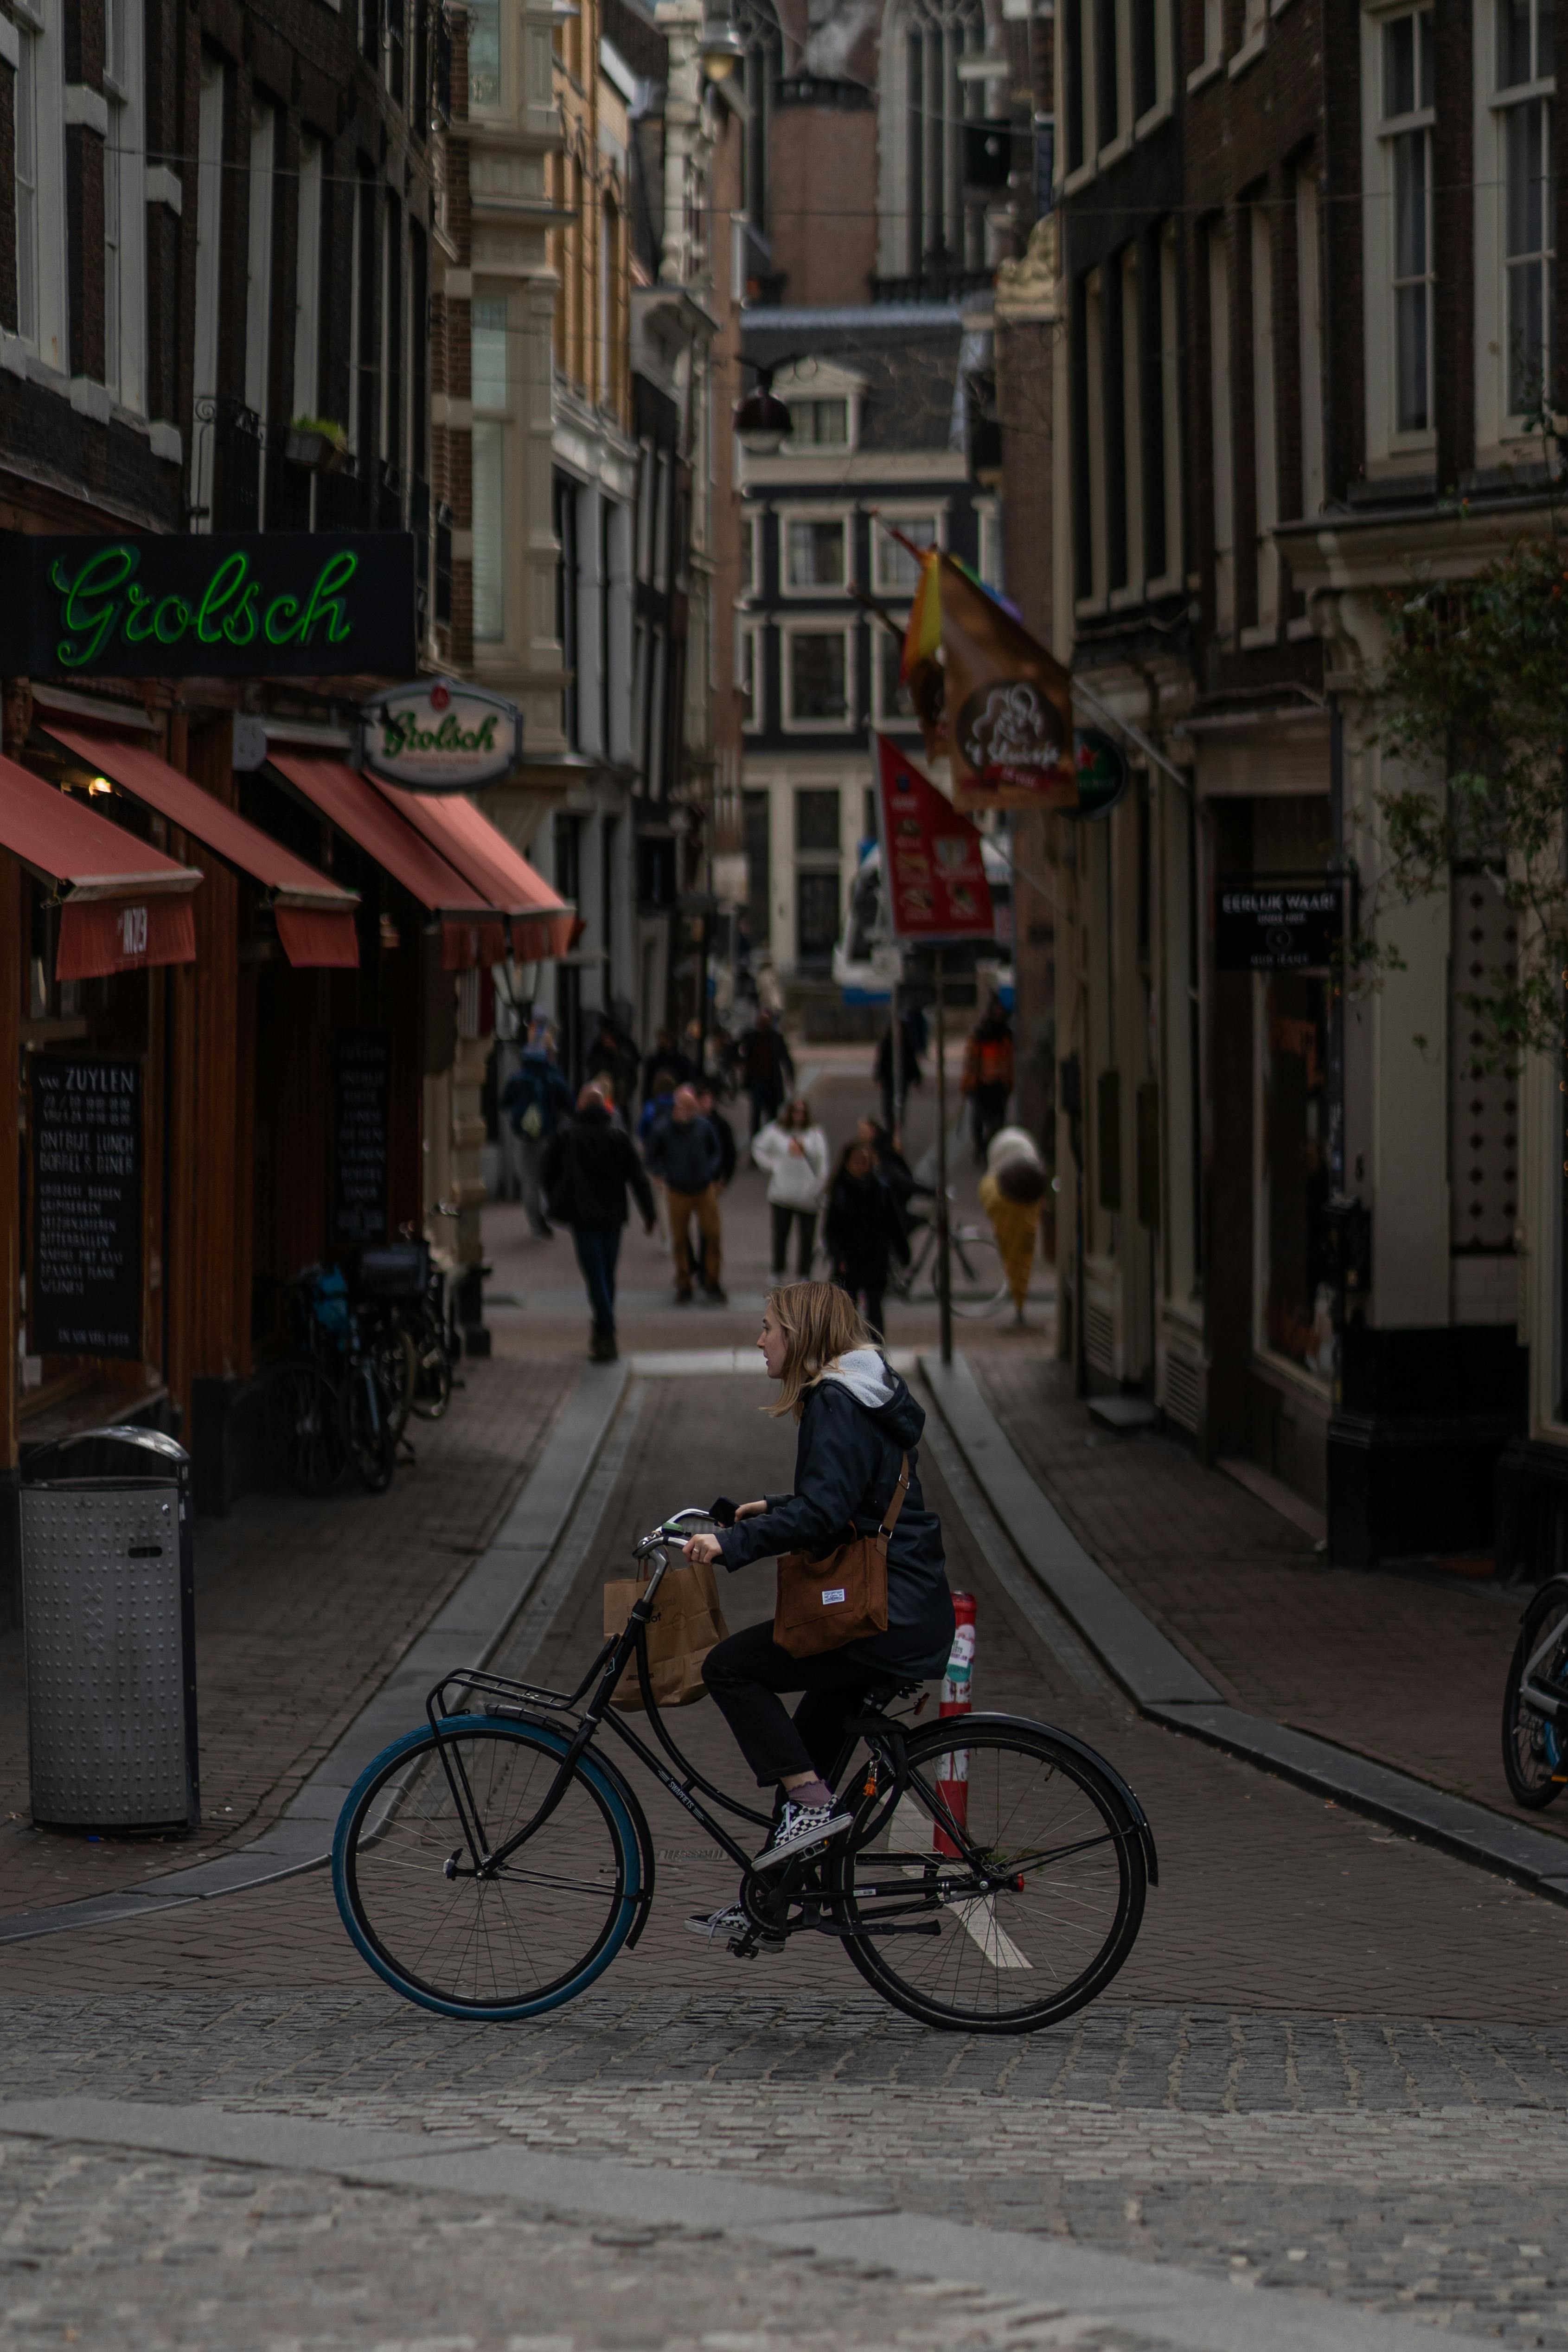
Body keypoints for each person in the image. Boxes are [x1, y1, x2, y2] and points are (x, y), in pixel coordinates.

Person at [680, 1282, 955, 1936]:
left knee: (730, 1668)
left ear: (800, 1334)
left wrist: (732, 1542)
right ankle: (770, 1902)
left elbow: (828, 1511)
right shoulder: (863, 1392)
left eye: (769, 1326)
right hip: (904, 1606)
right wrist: (776, 1505)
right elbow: (855, 1492)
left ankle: (805, 1819)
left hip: (879, 1616)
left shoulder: (834, 1397)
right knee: (802, 1754)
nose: (760, 1339)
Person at [541, 1084, 657, 1361]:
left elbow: (547, 1170)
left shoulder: (568, 1136)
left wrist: (556, 1198)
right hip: (612, 1217)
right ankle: (603, 1332)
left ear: (581, 1106)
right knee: (606, 1274)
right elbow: (638, 1177)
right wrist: (649, 1213)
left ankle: (606, 1332)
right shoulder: (617, 1137)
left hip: (583, 1218)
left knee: (595, 1276)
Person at [645, 1082, 726, 1303]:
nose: (687, 1111)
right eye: (684, 1106)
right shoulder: (664, 1129)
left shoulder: (704, 1126)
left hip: (703, 1186)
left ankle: (712, 1279)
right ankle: (684, 1282)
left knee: (713, 1234)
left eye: (691, 1106)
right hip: (678, 1189)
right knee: (679, 1238)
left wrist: (712, 1171)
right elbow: (652, 1155)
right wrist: (661, 1173)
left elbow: (716, 1150)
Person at [823, 1137, 906, 1335]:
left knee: (875, 1306)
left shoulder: (881, 1190)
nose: (862, 1167)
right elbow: (831, 1229)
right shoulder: (840, 1191)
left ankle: (876, 1348)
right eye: (857, 1162)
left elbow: (893, 1223)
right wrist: (839, 1256)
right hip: (849, 1259)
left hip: (875, 1257)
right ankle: (847, 1345)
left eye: (865, 1162)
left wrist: (902, 1250)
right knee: (848, 1307)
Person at [499, 1022, 575, 1238]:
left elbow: (505, 1102)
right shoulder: (553, 1076)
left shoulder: (519, 1077)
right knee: (550, 1175)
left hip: (524, 1135)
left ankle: (535, 1223)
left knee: (530, 1178)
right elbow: (569, 1104)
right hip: (550, 1134)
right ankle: (548, 1214)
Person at [752, 1096, 829, 1279]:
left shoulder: (815, 1134)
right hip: (783, 1193)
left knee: (807, 1237)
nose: (799, 1115)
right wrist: (771, 1166)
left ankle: (804, 1272)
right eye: (796, 1111)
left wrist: (821, 1184)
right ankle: (778, 1269)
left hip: (807, 1194)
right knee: (780, 1235)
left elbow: (822, 1161)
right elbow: (758, 1146)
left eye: (803, 1112)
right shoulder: (777, 1131)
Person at [978, 1126, 1047, 1325]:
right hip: (1023, 1187)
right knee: (1021, 1256)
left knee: (1015, 1254)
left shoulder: (993, 1185)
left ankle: (1019, 1304)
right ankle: (1019, 1304)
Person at [961, 993, 1015, 1165]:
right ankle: (982, 1149)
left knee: (996, 1122)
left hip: (998, 1085)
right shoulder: (980, 1034)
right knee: (980, 1120)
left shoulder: (1005, 1035)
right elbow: (971, 1060)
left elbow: (1008, 1061)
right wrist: (969, 1082)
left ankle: (989, 1149)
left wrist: (1007, 1080)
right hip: (981, 1086)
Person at [694, 1083, 737, 1289]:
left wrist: (724, 1179)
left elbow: (729, 1153)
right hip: (686, 1184)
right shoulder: (689, 1123)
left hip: (710, 1185)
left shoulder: (720, 1125)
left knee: (709, 1231)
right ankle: (693, 1269)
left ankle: (708, 1273)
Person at [736, 1007, 795, 1140]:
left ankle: (771, 1140)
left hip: (772, 1082)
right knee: (756, 1113)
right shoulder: (751, 1037)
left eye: (766, 1022)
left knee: (772, 1114)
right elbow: (739, 1051)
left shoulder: (776, 1038)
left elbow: (786, 1059)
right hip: (756, 1081)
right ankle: (756, 1142)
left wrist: (791, 1078)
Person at [873, 1003, 927, 1137]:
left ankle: (897, 1131)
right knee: (888, 1108)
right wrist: (879, 1076)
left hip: (901, 1080)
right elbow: (882, 1061)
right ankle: (891, 1130)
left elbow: (911, 1062)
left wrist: (917, 1078)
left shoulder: (906, 1045)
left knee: (899, 1106)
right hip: (889, 1080)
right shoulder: (888, 1044)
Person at [586, 1013, 639, 1115]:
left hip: (619, 1098)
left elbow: (631, 1077)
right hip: (602, 1097)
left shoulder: (624, 1056)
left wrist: (626, 1094)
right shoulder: (598, 1052)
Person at [641, 1028, 697, 1107]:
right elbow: (647, 1085)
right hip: (656, 1103)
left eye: (664, 1040)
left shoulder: (682, 1061)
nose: (661, 1042)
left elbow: (689, 1082)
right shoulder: (654, 1061)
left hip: (677, 1102)